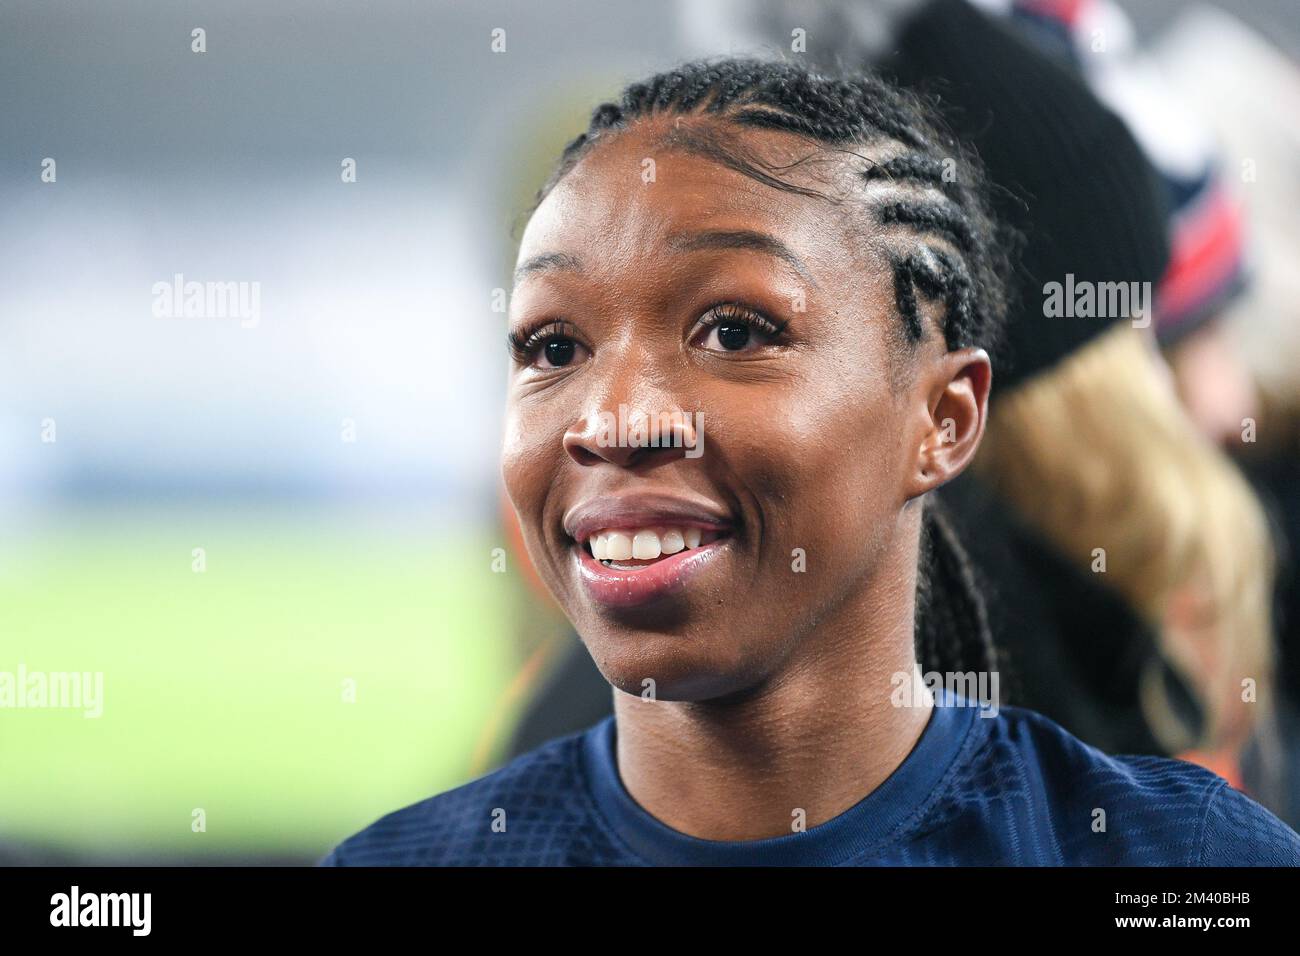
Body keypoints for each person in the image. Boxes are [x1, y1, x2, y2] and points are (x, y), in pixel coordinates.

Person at [321, 57, 1300, 865]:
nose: (612, 417)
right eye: (552, 346)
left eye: (736, 331)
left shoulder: (1182, 857)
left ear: (945, 415)